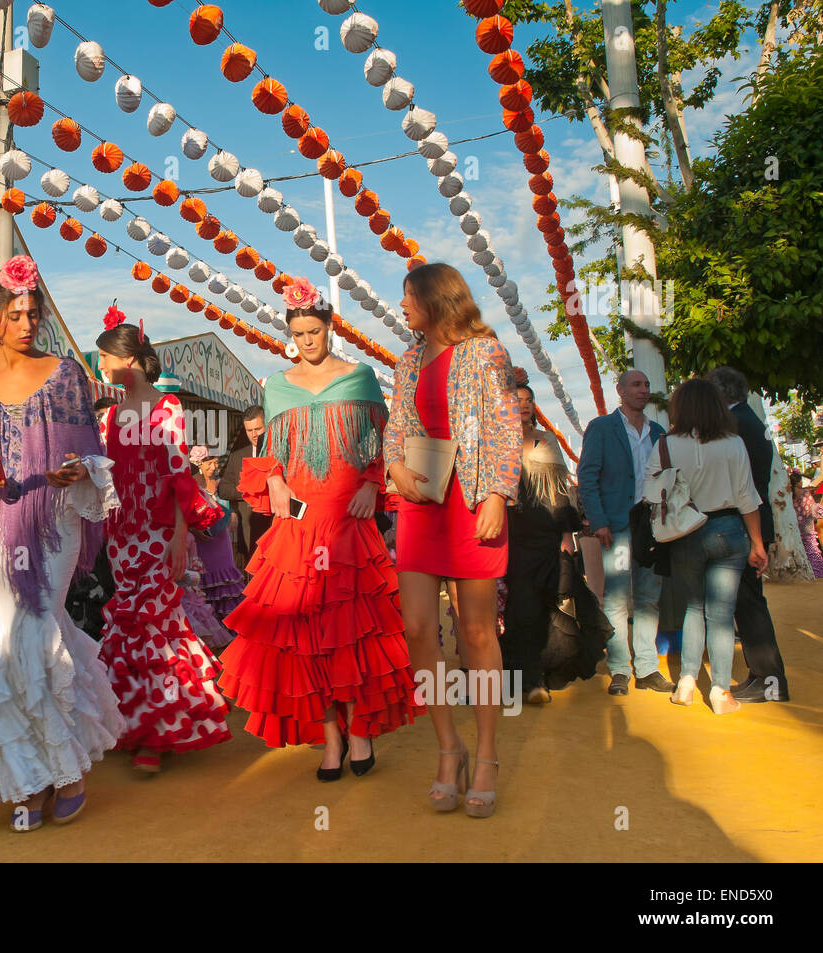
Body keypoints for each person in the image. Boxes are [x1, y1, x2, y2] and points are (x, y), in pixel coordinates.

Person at [0, 256, 122, 830]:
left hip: (54, 521)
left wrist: (78, 470)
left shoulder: (66, 375)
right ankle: (30, 774)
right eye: (16, 316)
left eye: (33, 314)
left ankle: (62, 771)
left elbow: (90, 450)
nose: (28, 323)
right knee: (3, 633)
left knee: (38, 620)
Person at [218, 276, 420, 782]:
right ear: (291, 335)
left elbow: (387, 441)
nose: (309, 341)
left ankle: (362, 733)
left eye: (316, 330)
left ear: (331, 328)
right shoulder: (278, 385)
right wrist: (277, 482)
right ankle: (331, 737)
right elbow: (267, 455)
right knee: (304, 634)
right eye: (301, 334)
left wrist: (374, 485)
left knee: (354, 634)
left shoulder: (361, 377)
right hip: (299, 522)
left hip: (350, 520)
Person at [385, 263, 520, 817]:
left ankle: (486, 754)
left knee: (476, 632)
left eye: (409, 297)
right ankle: (449, 746)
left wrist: (496, 493)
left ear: (437, 299)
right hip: (421, 501)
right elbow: (397, 424)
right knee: (417, 626)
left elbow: (506, 424)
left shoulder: (485, 352)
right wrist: (393, 467)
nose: (402, 306)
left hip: (471, 501)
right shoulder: (407, 360)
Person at [95, 314, 232, 774]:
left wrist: (179, 536)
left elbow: (179, 476)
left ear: (130, 360)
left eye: (106, 358)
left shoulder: (167, 407)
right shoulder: (110, 415)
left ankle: (160, 731)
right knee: (129, 625)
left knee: (156, 624)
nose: (101, 365)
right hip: (120, 537)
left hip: (156, 535)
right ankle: (130, 723)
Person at [646, 378, 768, 713]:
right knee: (721, 613)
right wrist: (757, 543)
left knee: (692, 608)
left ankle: (686, 681)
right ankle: (719, 691)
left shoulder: (666, 444)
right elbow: (747, 498)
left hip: (685, 530)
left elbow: (650, 489)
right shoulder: (732, 443)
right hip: (728, 529)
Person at [501, 381, 607, 702]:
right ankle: (521, 677)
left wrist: (566, 537)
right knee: (518, 607)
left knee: (546, 605)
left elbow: (560, 492)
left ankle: (537, 679)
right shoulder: (497, 441)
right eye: (517, 400)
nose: (523, 405)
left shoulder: (546, 440)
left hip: (545, 532)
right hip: (509, 532)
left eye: (528, 401)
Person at [576, 369, 671, 696]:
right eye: (636, 384)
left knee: (647, 600)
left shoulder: (658, 432)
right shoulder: (601, 428)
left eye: (646, 384)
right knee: (615, 600)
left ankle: (646, 668)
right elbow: (587, 477)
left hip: (652, 530)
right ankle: (619, 669)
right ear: (620, 390)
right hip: (615, 528)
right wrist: (598, 521)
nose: (643, 390)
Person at [707, 366, 791, 702]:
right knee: (748, 603)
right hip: (753, 522)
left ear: (721, 393)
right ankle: (761, 676)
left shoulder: (737, 425)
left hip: (746, 524)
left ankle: (770, 681)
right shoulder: (747, 420)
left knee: (750, 605)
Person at [189, 446, 245, 620]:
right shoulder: (191, 484)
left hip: (222, 539)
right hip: (203, 538)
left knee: (227, 574)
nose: (213, 467)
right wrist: (194, 531)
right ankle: (211, 622)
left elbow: (227, 503)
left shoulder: (220, 482)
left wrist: (234, 513)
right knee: (206, 576)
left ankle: (229, 620)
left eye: (215, 463)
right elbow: (186, 512)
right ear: (199, 464)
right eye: (209, 464)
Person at [218, 405, 272, 566]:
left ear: (267, 426)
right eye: (250, 430)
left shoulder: (280, 451)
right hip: (249, 532)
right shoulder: (237, 457)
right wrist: (248, 491)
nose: (254, 434)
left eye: (258, 429)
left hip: (276, 528)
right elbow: (223, 489)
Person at [791, 471, 823, 577]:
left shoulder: (789, 495)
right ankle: (818, 576)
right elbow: (814, 511)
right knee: (813, 556)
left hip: (794, 535)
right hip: (808, 533)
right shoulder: (805, 493)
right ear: (800, 481)